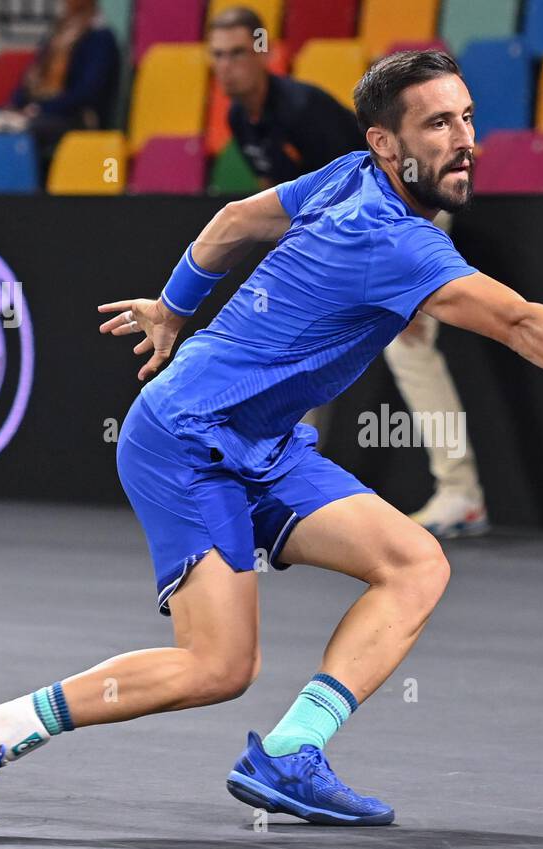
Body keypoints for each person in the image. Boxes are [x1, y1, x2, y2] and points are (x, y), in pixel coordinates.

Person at [0, 51, 543, 836]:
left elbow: (232, 223)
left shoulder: (346, 174)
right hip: (183, 439)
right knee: (218, 667)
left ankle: (290, 753)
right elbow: (521, 320)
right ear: (387, 146)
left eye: (466, 118)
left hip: (265, 443)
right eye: (437, 124)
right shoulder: (401, 245)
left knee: (415, 563)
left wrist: (175, 309)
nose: (463, 141)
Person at [210, 6, 490, 538]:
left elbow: (375, 182)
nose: (226, 67)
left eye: (238, 53)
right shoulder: (239, 119)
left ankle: (461, 493)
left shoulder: (302, 109)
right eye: (217, 56)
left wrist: (397, 287)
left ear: (263, 53)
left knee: (410, 347)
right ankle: (276, 485)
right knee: (306, 348)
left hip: (403, 219)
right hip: (340, 244)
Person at [0, 0, 118, 164]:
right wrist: (16, 106)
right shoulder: (57, 33)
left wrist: (40, 109)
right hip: (30, 111)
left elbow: (87, 93)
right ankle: (1, 120)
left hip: (69, 117)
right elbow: (30, 78)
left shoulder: (100, 38)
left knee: (29, 126)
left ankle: (0, 122)